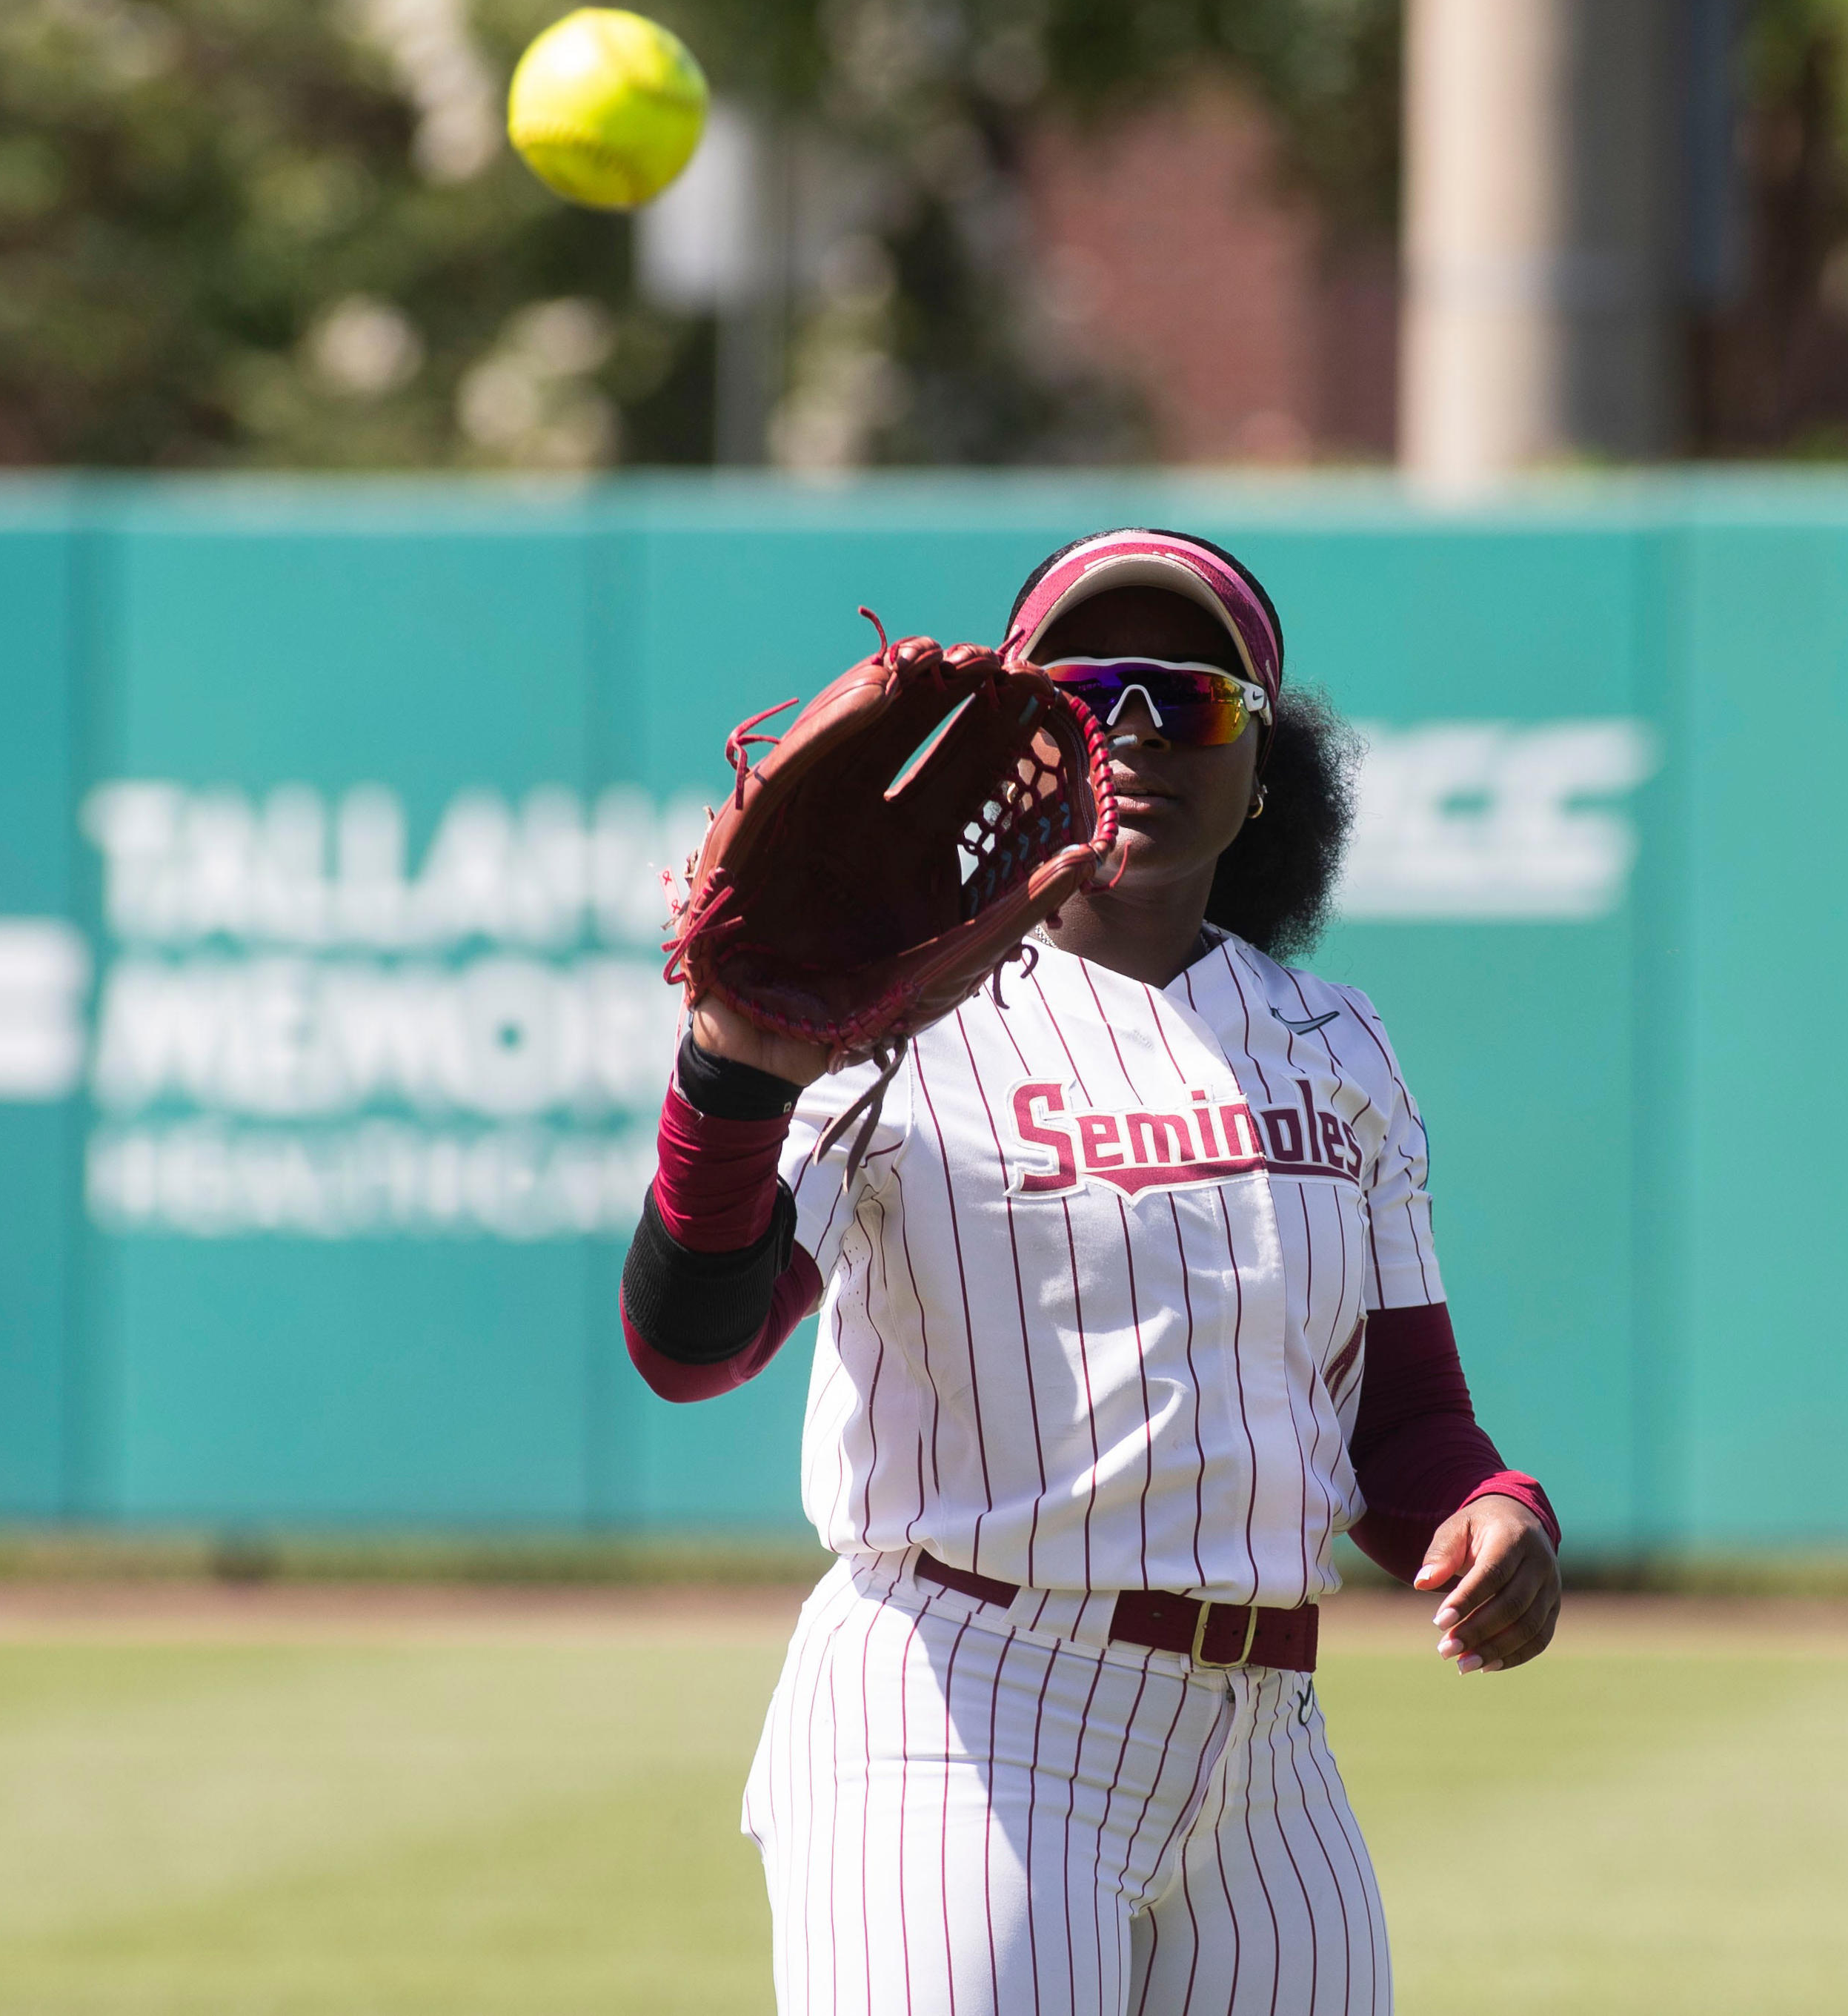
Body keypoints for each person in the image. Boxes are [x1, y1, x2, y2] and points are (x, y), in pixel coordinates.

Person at [619, 528, 1563, 2015]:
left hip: (1266, 1746)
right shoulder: (896, 1011)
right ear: (1025, 737)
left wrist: (1492, 1511)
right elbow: (692, 1338)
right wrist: (733, 1074)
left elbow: (1402, 1429)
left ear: (1264, 764)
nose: (1131, 728)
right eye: (1084, 689)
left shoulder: (1337, 1044)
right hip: (966, 1703)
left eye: (1188, 699)